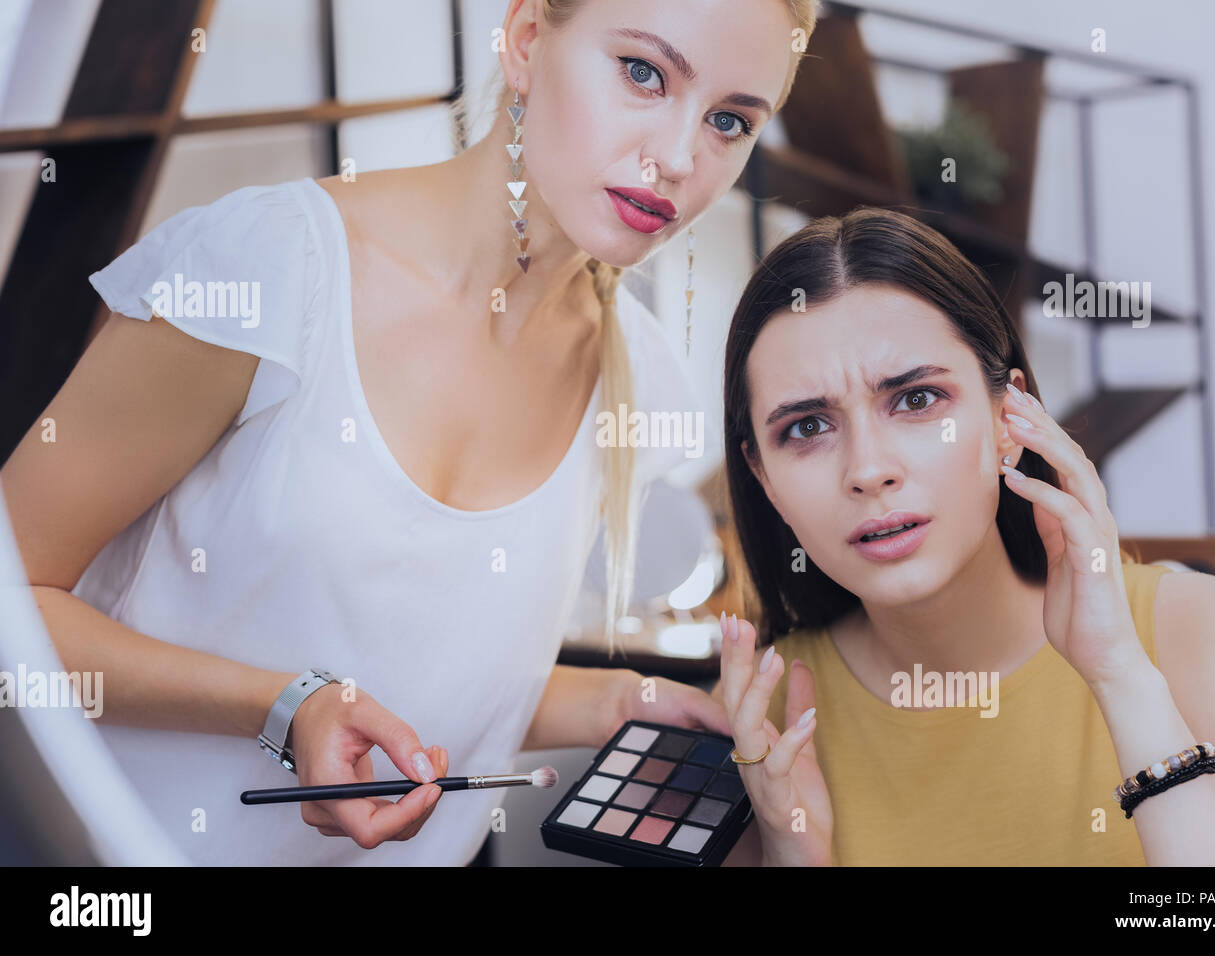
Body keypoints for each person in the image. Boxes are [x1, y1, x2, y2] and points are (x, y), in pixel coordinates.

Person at [2, 0, 818, 865]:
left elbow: (427, 663)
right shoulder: (265, 271)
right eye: (644, 73)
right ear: (528, 40)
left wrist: (616, 703)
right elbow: (12, 608)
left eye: (730, 121)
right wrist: (285, 706)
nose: (680, 158)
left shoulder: (638, 379)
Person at [713, 207, 1215, 866]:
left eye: (914, 400)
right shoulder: (765, 719)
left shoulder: (1205, 634)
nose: (869, 470)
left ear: (1007, 419)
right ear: (763, 477)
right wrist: (797, 855)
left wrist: (1121, 678)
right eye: (808, 427)